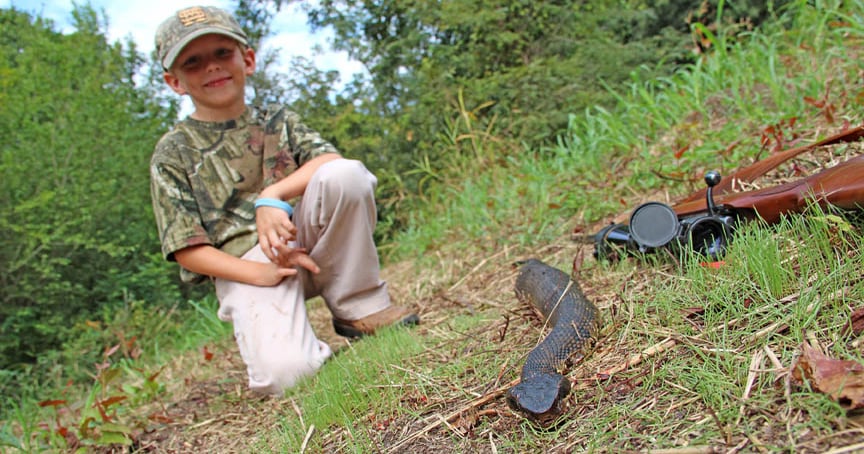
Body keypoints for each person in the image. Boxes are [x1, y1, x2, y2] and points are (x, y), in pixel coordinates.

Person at [150, 5, 419, 395]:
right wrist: (258, 273)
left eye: (222, 53)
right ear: (174, 81)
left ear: (248, 59)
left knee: (346, 174)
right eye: (193, 62)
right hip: (246, 266)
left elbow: (331, 160)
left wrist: (271, 196)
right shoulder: (172, 152)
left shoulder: (277, 119)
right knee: (286, 376)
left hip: (306, 239)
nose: (212, 67)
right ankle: (297, 346)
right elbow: (186, 249)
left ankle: (360, 307)